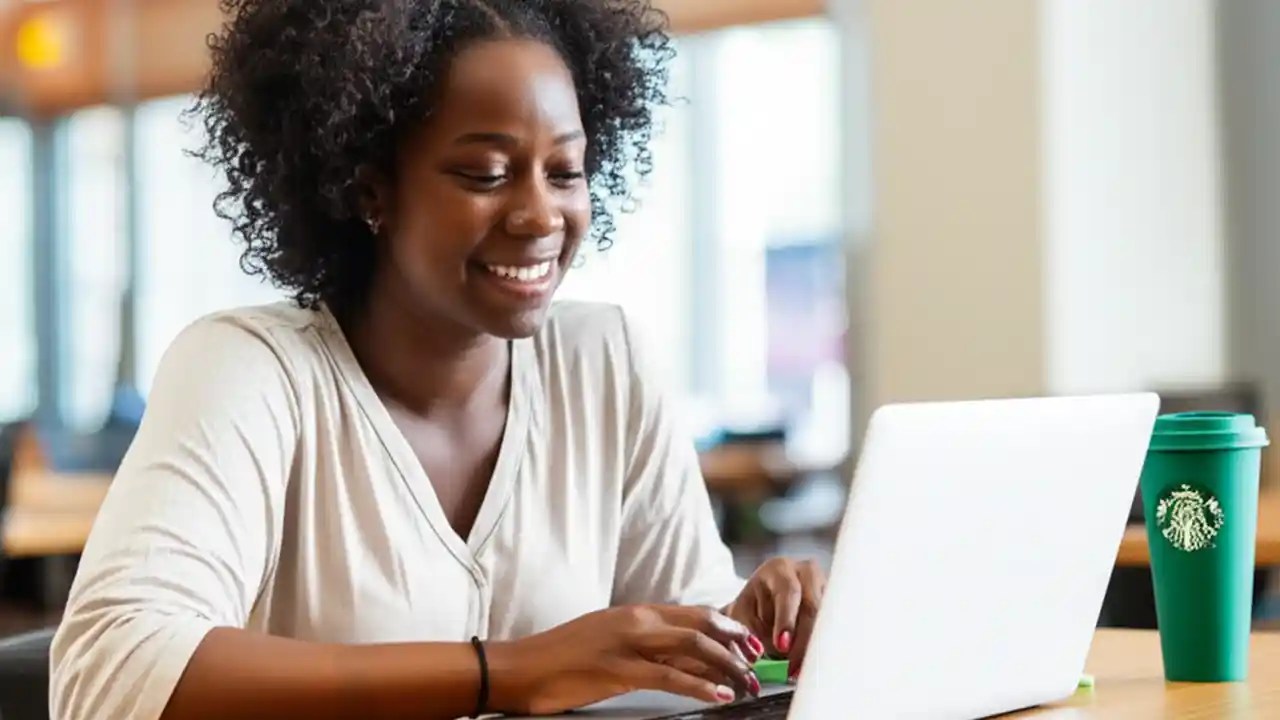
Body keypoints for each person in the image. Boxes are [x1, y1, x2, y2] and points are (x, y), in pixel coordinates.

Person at [49, 1, 827, 718]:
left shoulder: (606, 361)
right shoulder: (251, 372)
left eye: (564, 172)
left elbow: (688, 635)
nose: (539, 215)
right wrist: (507, 671)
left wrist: (759, 627)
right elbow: (112, 669)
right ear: (370, 192)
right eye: (486, 174)